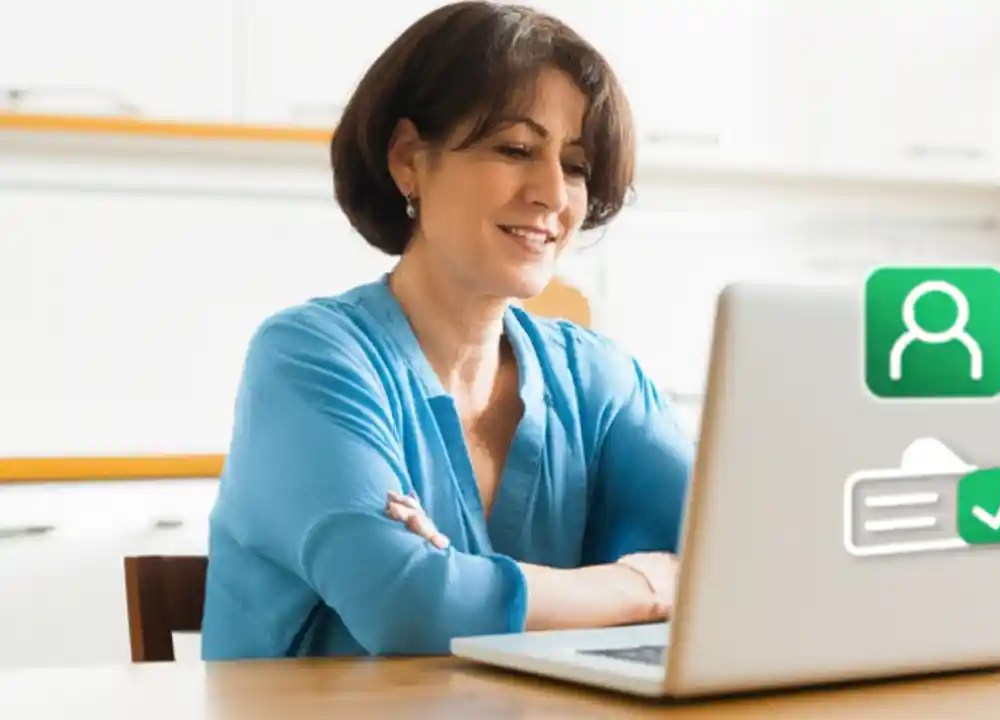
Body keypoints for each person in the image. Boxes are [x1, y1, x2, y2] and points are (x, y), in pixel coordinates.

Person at [201, 1, 692, 660]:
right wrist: (643, 586)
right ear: (409, 159)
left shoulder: (599, 382)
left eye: (575, 164)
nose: (552, 192)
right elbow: (410, 606)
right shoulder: (308, 361)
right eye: (516, 149)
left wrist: (466, 583)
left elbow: (737, 564)